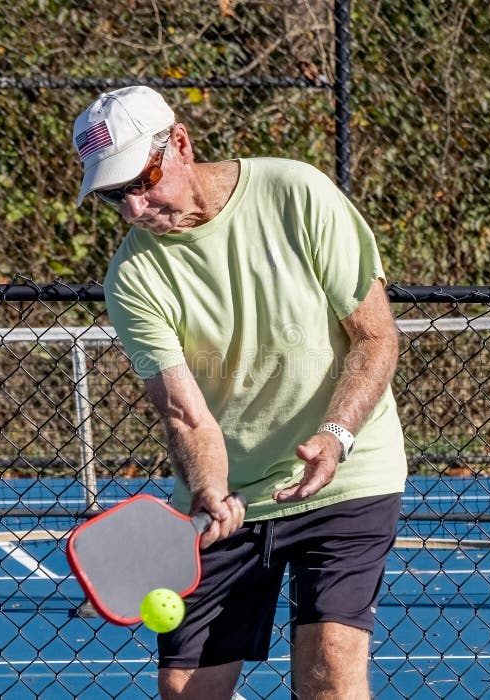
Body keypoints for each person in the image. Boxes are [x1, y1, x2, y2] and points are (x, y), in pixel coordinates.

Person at [73, 85, 407, 700]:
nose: (136, 206)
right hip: (233, 498)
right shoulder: (133, 276)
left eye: (142, 181)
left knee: (330, 667)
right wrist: (212, 491)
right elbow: (184, 411)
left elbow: (375, 337)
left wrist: (336, 437)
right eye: (115, 195)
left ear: (179, 144)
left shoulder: (297, 193)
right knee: (186, 690)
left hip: (349, 473)